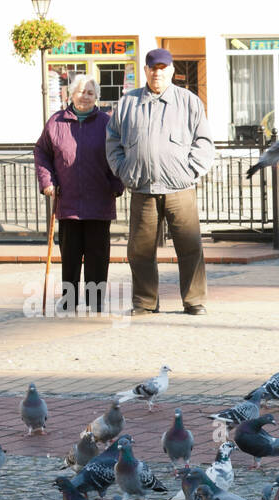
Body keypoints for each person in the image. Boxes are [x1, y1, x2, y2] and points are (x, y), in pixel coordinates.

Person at [105, 48, 214, 316]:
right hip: (143, 188)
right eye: (153, 68)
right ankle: (144, 301)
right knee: (140, 250)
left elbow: (204, 142)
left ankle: (194, 300)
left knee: (190, 248)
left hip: (180, 189)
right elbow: (113, 142)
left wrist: (190, 171)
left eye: (163, 68)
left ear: (172, 71)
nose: (158, 73)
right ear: (145, 71)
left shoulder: (189, 102)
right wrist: (124, 170)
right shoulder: (128, 103)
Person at [33, 74, 123, 314]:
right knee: (70, 257)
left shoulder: (107, 123)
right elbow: (42, 152)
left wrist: (116, 183)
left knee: (97, 256)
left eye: (90, 93)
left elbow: (118, 153)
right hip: (68, 200)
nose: (85, 96)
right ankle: (69, 300)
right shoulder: (56, 122)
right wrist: (47, 182)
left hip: (99, 200)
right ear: (70, 95)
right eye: (81, 91)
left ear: (97, 98)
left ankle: (95, 302)